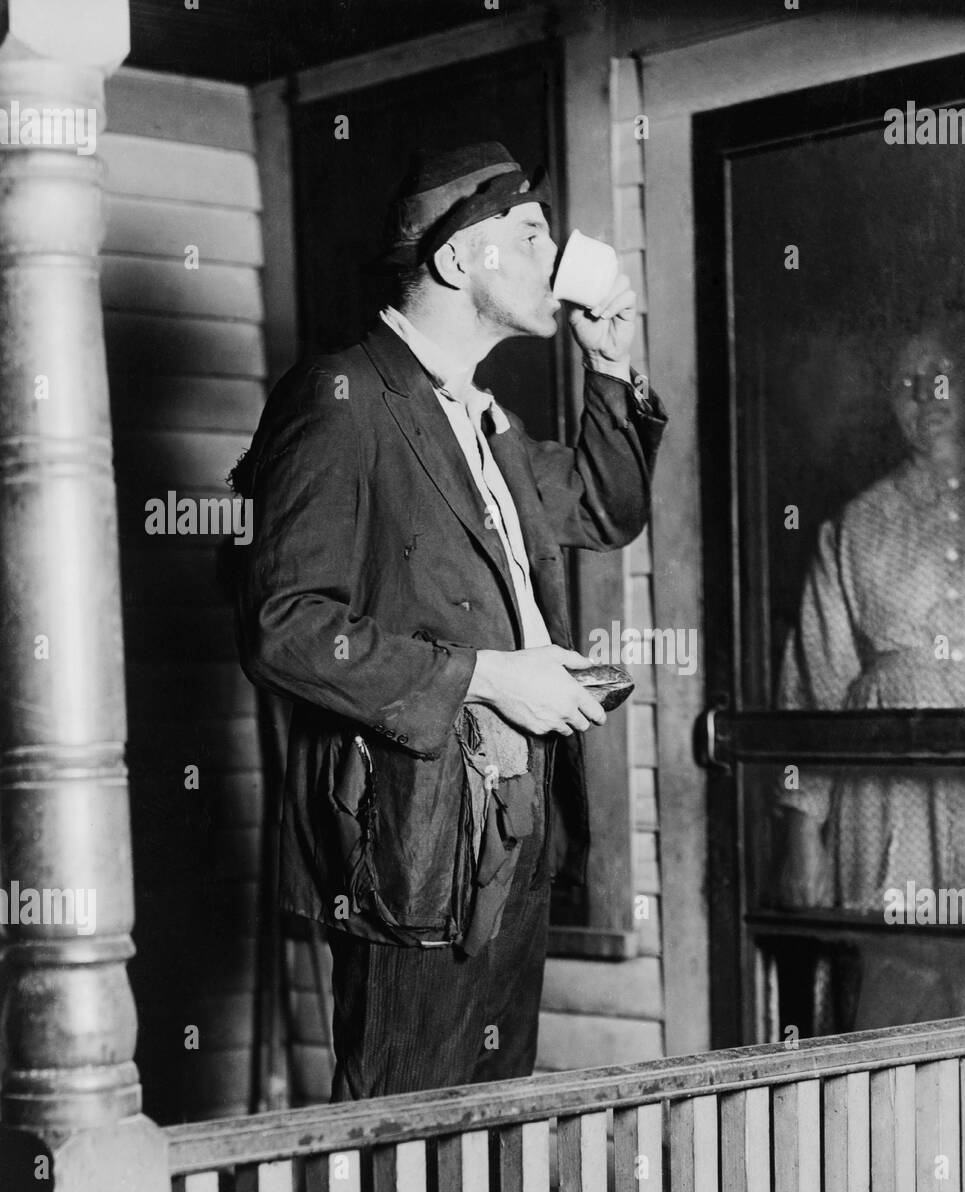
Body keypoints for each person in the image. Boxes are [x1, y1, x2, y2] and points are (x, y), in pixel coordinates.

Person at [233, 143, 665, 1099]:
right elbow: (285, 625)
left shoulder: (479, 418)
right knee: (402, 1130)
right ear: (456, 260)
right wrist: (486, 675)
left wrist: (613, 370)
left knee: (490, 1125)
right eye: (529, 233)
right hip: (411, 847)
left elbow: (605, 506)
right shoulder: (343, 398)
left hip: (511, 827)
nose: (555, 257)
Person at [776, 326, 965, 1029]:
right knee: (889, 980)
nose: (924, 394)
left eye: (940, 374)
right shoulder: (857, 522)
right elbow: (813, 681)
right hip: (879, 780)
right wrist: (799, 829)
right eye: (905, 382)